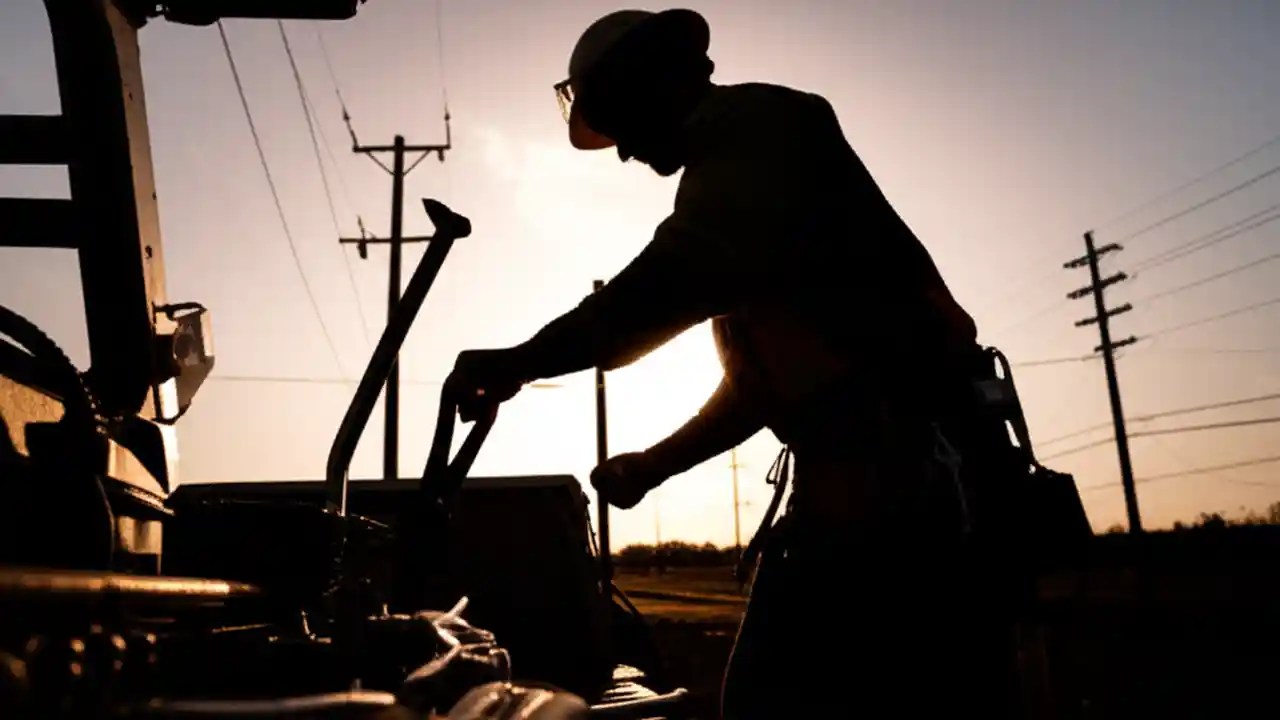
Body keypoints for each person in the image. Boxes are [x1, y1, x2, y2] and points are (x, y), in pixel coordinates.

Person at [443, 8, 1021, 718]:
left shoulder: (770, 128)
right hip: (853, 488)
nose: (623, 154)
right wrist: (655, 464)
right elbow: (756, 392)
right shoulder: (738, 198)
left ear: (658, 79)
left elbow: (671, 283)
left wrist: (521, 360)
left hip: (916, 484)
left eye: (619, 122)